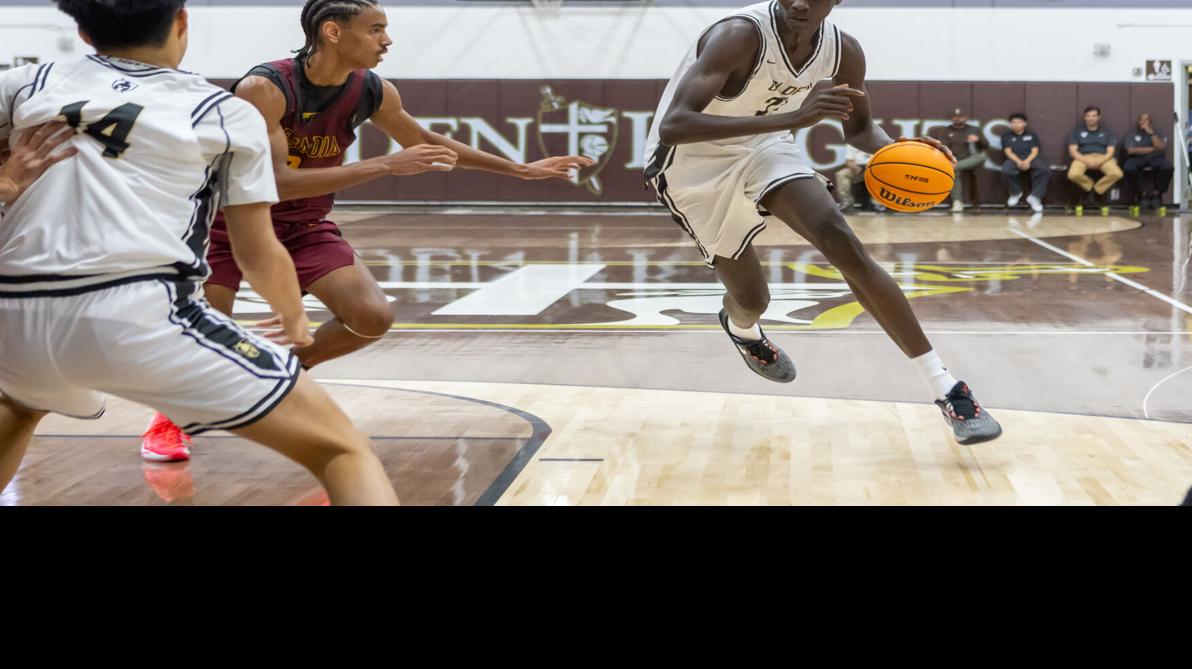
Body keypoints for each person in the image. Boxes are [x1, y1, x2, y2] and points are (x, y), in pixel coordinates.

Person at [139, 0, 596, 462]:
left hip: (303, 226)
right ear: (333, 32)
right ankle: (170, 419)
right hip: (227, 224)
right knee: (202, 333)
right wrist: (386, 165)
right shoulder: (265, 88)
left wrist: (521, 170)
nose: (387, 40)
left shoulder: (371, 89)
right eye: (375, 29)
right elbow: (276, 181)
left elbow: (423, 141)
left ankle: (278, 373)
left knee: (371, 317)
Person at [1, 0, 398, 504]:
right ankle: (171, 419)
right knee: (344, 450)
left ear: (82, 32)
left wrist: (6, 182)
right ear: (182, 22)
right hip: (134, 311)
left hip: (13, 320)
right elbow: (259, 252)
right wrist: (295, 323)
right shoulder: (221, 110)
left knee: (21, 407)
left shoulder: (24, 84)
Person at [644, 0, 1002, 444]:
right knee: (752, 298)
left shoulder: (843, 50)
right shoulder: (739, 35)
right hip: (689, 166)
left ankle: (946, 388)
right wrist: (797, 117)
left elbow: (860, 130)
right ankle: (742, 328)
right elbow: (674, 125)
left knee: (841, 241)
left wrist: (903, 152)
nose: (799, 2)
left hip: (764, 147)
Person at [927, 106, 988, 213]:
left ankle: (954, 167)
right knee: (954, 170)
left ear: (966, 118)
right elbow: (942, 147)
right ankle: (957, 202)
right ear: (952, 118)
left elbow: (985, 145)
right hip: (954, 159)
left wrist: (978, 140)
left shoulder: (974, 129)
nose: (958, 118)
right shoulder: (946, 130)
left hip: (972, 158)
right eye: (955, 117)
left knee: (981, 157)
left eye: (960, 116)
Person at [1066, 105, 1122, 211]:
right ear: (1084, 117)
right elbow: (1073, 151)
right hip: (1082, 157)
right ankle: (1090, 186)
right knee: (1073, 174)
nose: (1091, 118)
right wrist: (1086, 161)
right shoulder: (1076, 132)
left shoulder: (1107, 132)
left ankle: (1096, 191)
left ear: (1099, 117)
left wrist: (1099, 161)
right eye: (1088, 116)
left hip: (1104, 157)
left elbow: (1110, 152)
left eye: (1094, 116)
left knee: (1117, 173)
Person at [1121, 112, 1174, 213]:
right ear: (1138, 121)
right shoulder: (1132, 133)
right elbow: (1131, 150)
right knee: (1128, 168)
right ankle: (1142, 194)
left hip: (1155, 158)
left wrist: (1151, 134)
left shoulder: (1157, 132)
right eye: (1141, 120)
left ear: (1150, 122)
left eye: (1146, 120)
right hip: (1136, 158)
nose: (1143, 122)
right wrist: (1153, 149)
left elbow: (1161, 147)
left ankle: (1157, 193)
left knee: (1168, 167)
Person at [999, 112, 1049, 213]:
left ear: (1025, 123)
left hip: (1031, 158)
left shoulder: (1031, 135)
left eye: (1019, 122)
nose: (1016, 124)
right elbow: (1008, 152)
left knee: (1044, 170)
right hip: (1014, 159)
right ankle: (1015, 192)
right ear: (1010, 124)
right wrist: (1019, 162)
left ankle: (1035, 197)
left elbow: (1035, 151)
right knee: (1006, 170)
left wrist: (1027, 161)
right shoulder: (1006, 136)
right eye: (1014, 122)